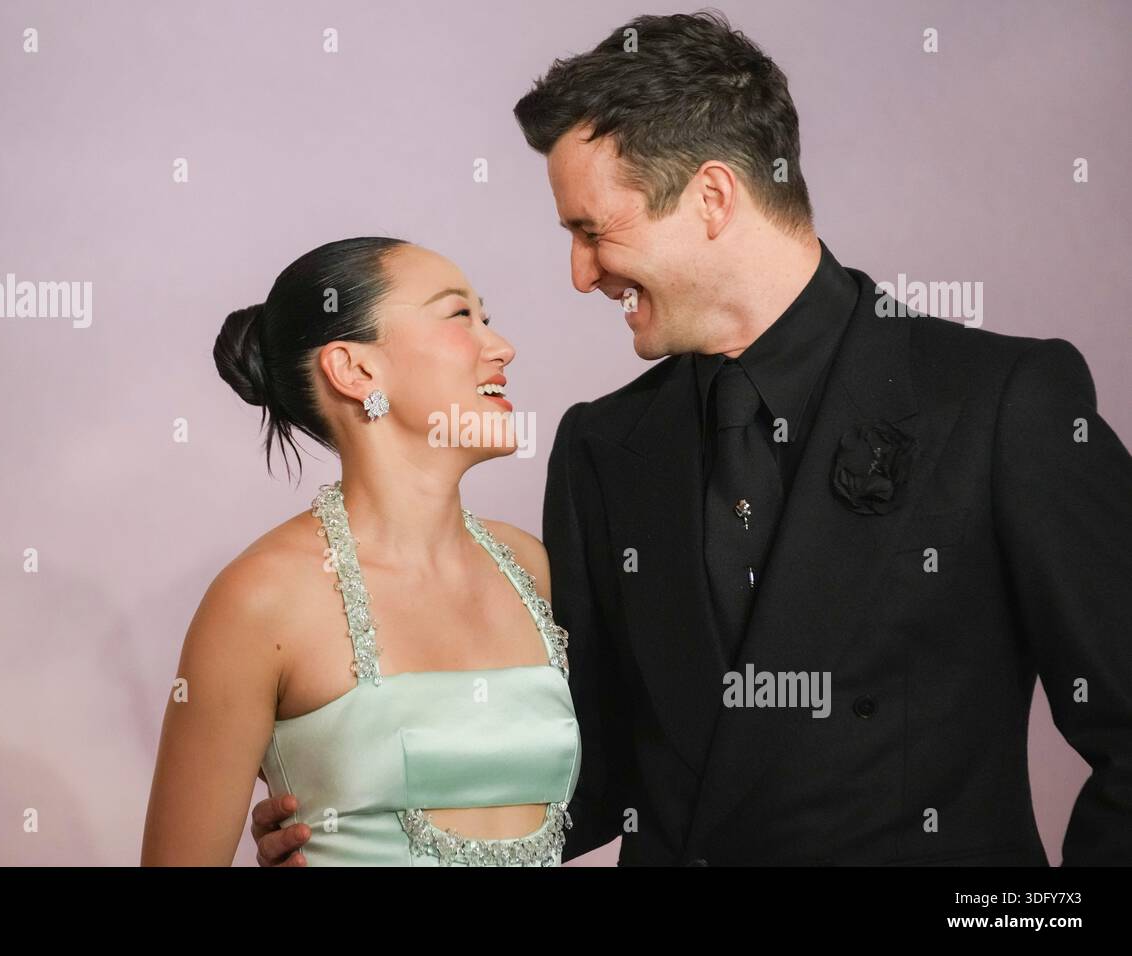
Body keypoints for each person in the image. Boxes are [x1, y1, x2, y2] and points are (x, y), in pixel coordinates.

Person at [254, 11, 1132, 867]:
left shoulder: (1002, 400)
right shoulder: (602, 444)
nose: (581, 274)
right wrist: (365, 829)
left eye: (593, 231)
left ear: (712, 197)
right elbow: (585, 773)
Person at [141, 237, 581, 865]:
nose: (501, 347)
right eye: (460, 316)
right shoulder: (261, 600)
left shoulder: (528, 567)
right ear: (355, 370)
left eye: (488, 317)